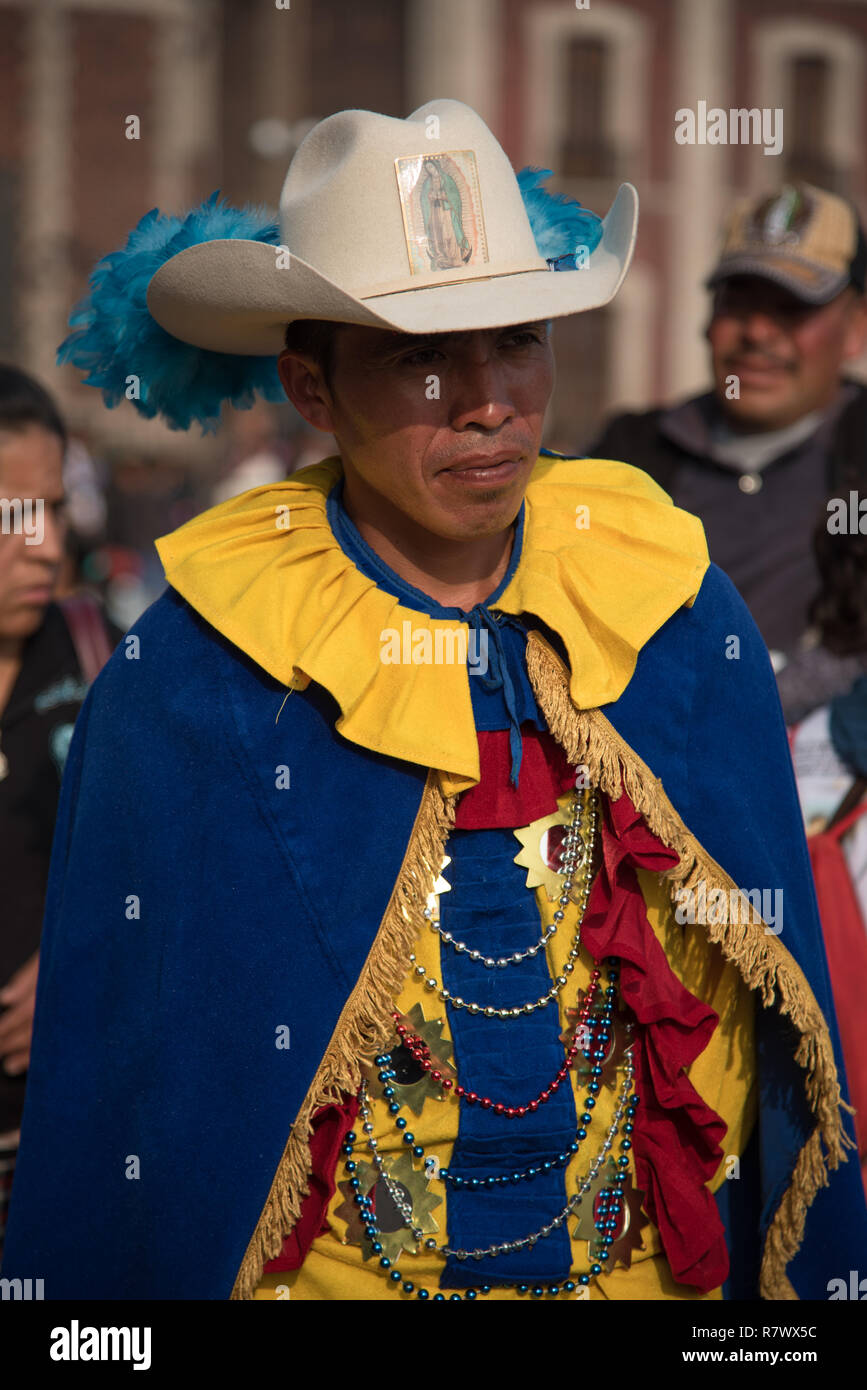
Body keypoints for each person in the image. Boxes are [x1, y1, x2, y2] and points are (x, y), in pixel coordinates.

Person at [2, 100, 865, 1302]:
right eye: (421, 356)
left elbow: (787, 1066)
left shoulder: (674, 614)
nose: (486, 400)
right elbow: (115, 1116)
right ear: (311, 386)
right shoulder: (193, 682)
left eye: (517, 339)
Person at [591, 183, 867, 674]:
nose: (758, 332)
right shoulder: (626, 456)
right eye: (739, 303)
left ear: (856, 329)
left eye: (791, 308)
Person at [0, 366, 117, 1256]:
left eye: (53, 507)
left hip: (62, 1154)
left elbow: (173, 865)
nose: (44, 547)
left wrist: (86, 955)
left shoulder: (101, 657)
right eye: (12, 516)